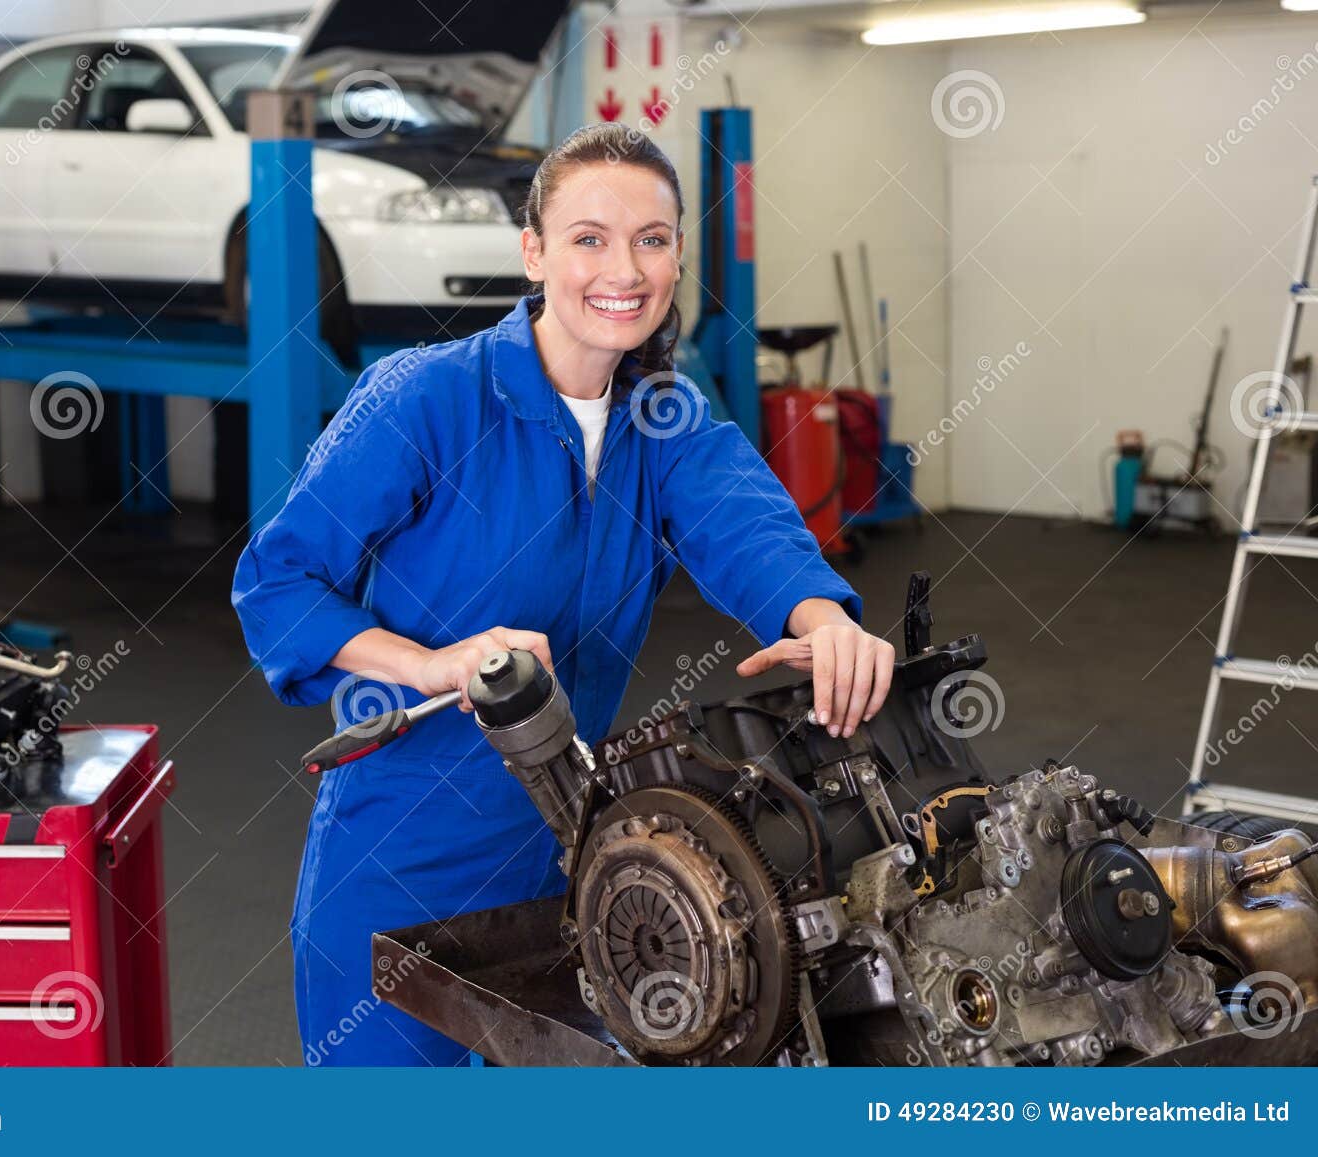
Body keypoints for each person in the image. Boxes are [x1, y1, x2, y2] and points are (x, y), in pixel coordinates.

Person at [231, 122, 895, 1066]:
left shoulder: (664, 415)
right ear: (535, 252)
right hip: (401, 860)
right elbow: (279, 580)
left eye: (651, 240)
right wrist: (427, 663)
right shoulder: (424, 398)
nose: (622, 268)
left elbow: (748, 526)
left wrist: (823, 621)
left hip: (572, 858)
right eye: (589, 238)